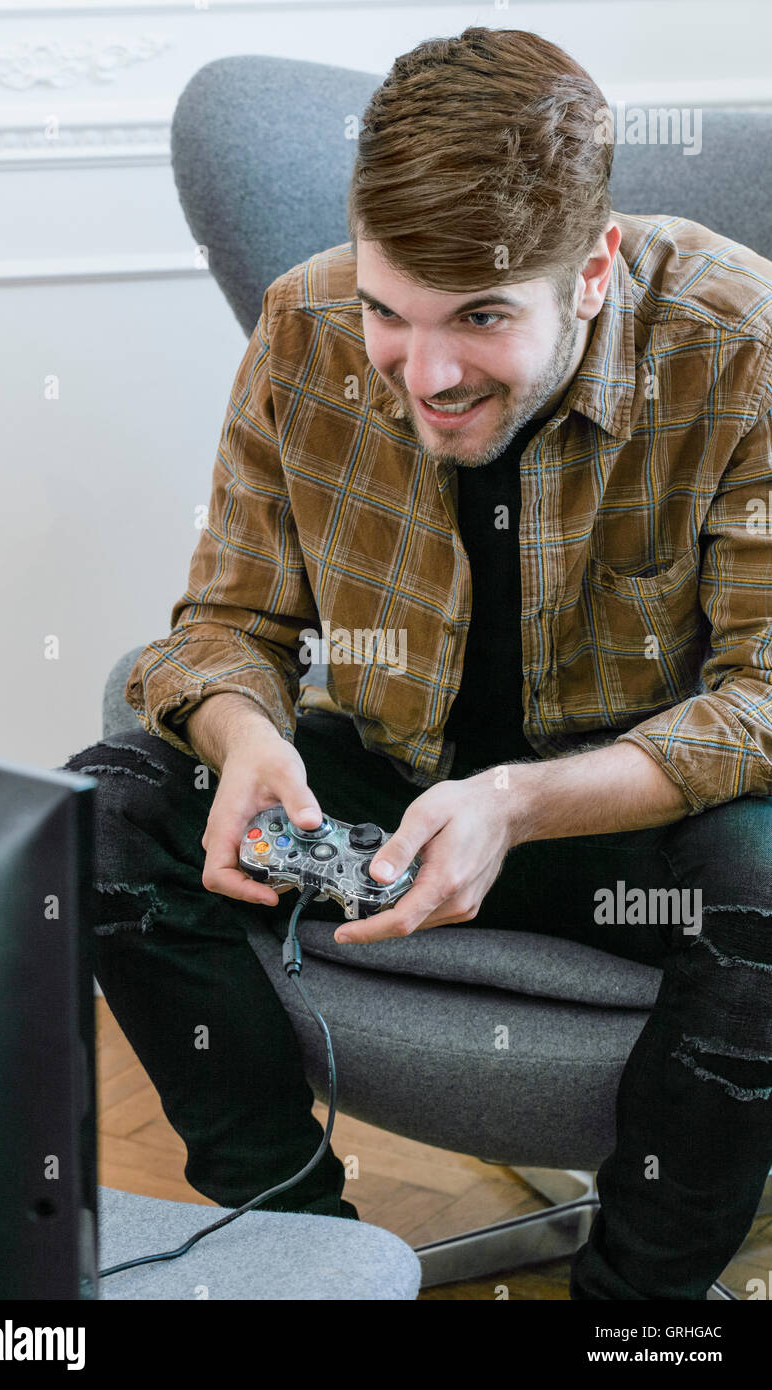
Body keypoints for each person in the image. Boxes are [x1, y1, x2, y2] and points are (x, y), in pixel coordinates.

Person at [63, 28, 772, 1299]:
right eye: (392, 313)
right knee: (103, 812)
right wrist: (247, 735)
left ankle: (634, 1314)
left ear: (596, 268)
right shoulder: (304, 323)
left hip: (636, 830)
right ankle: (296, 1248)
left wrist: (517, 801)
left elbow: (767, 699)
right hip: (395, 797)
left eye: (482, 318)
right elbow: (226, 623)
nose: (427, 376)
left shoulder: (738, 344)